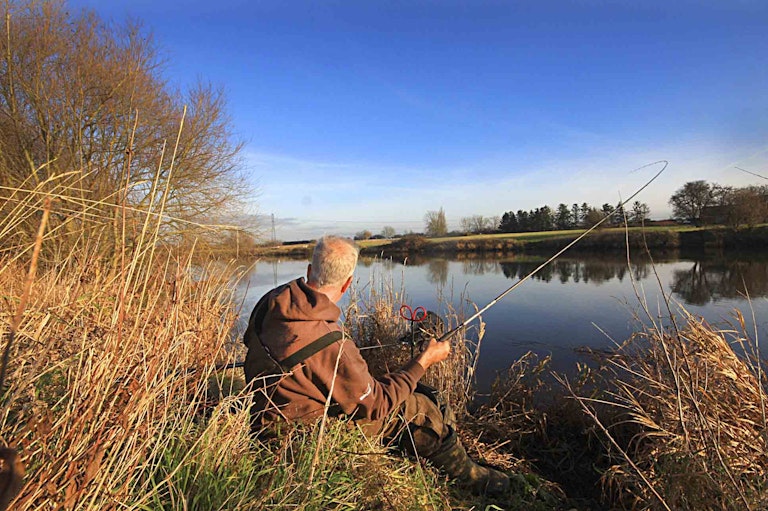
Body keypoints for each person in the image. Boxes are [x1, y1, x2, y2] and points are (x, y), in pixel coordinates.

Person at [242, 235, 509, 495]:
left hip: (269, 414)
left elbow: (253, 342)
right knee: (423, 405)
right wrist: (423, 361)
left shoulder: (270, 302)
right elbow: (376, 406)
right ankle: (471, 477)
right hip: (303, 435)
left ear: (310, 269)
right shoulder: (332, 343)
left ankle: (440, 448)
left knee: (411, 389)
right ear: (347, 284)